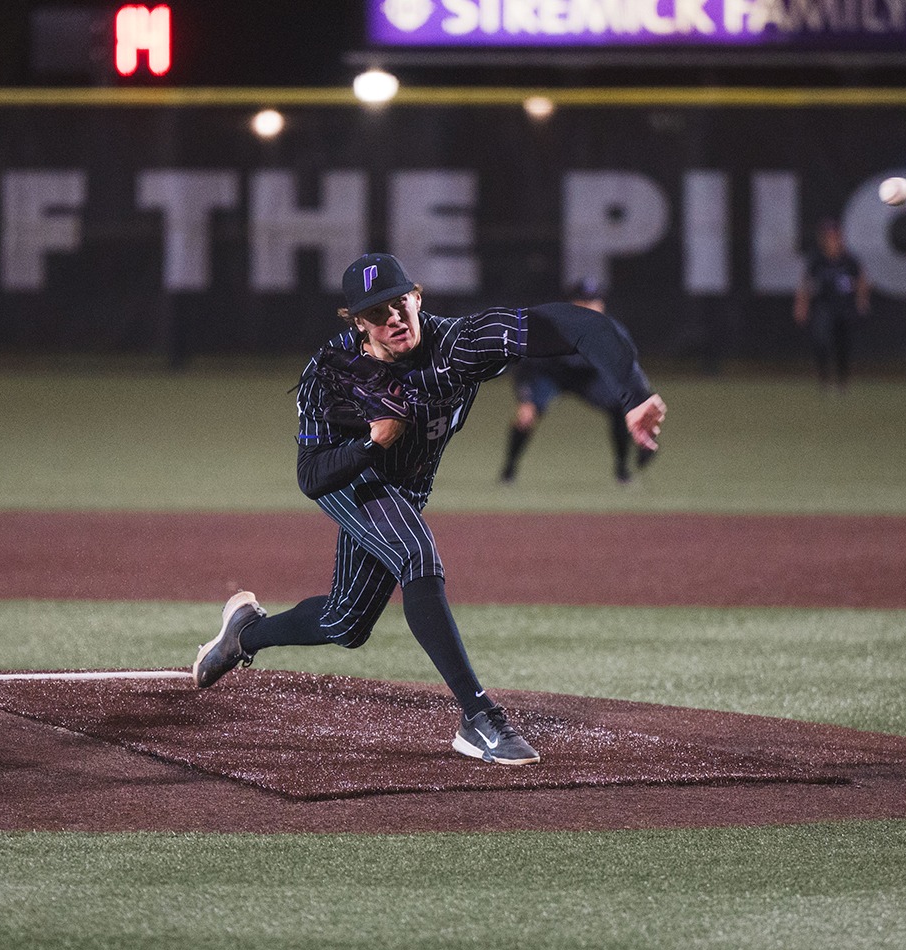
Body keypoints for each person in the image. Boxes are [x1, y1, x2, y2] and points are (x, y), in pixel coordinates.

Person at [192, 253, 667, 767]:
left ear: (418, 298)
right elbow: (311, 476)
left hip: (408, 485)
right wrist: (370, 448)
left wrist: (633, 393)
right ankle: (479, 717)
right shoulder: (330, 374)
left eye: (400, 303)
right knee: (417, 553)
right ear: (357, 324)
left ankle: (246, 633)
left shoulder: (459, 346)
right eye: (376, 313)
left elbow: (578, 325)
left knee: (345, 623)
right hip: (349, 475)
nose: (393, 318)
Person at [498, 277, 658, 484]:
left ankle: (622, 471)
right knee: (525, 416)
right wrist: (526, 398)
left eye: (593, 301)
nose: (589, 307)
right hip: (552, 376)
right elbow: (526, 366)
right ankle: (508, 471)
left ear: (602, 304)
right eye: (582, 301)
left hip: (590, 379)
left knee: (620, 407)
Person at [793, 219, 871, 391]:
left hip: (845, 307)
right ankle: (824, 379)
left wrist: (862, 300)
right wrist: (801, 306)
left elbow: (861, 280)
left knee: (843, 344)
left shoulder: (849, 259)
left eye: (834, 235)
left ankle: (842, 381)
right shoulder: (817, 260)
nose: (831, 239)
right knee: (821, 340)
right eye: (827, 236)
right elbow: (805, 283)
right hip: (823, 306)